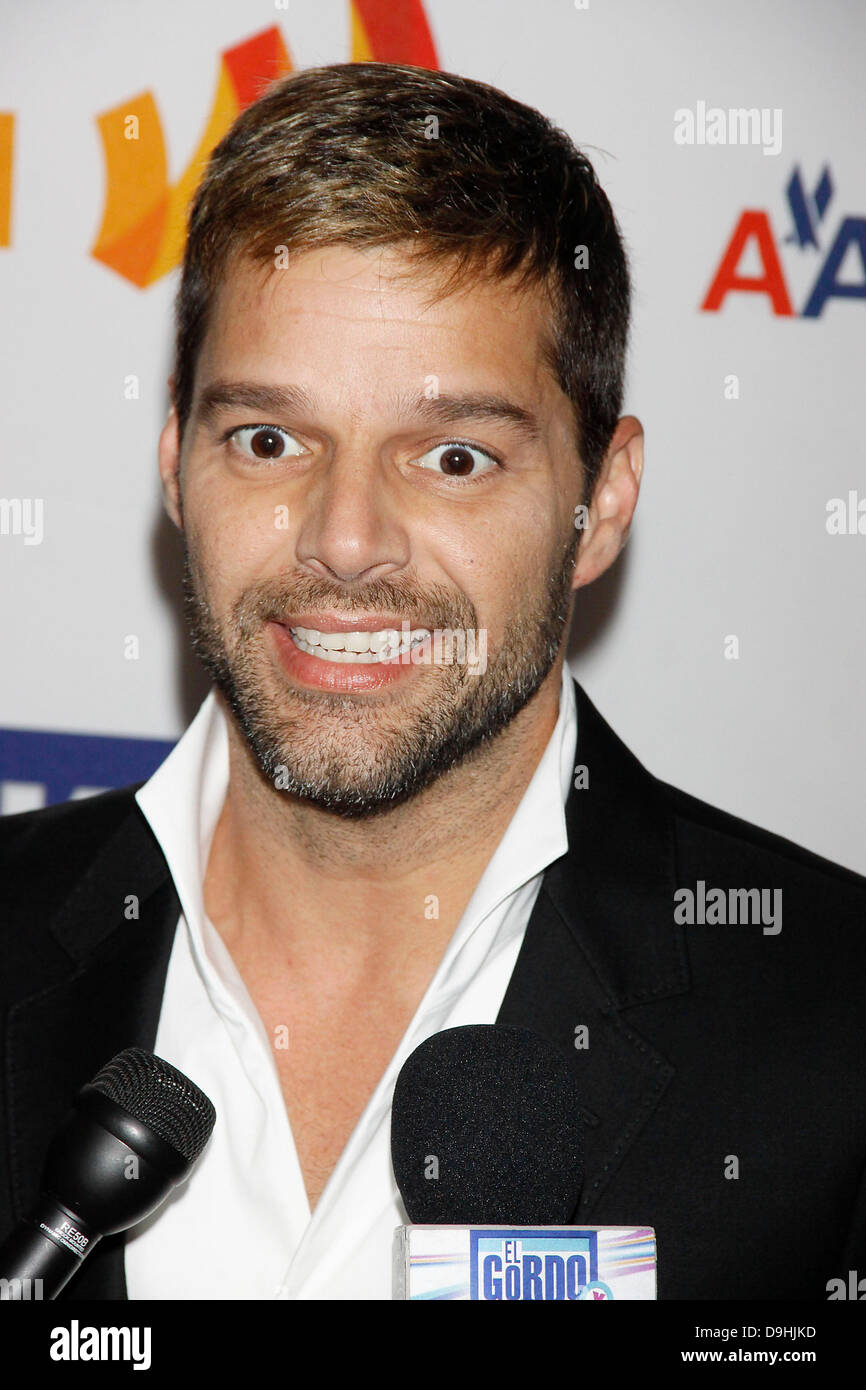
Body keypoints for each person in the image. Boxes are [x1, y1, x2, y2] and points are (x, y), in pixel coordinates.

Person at [1, 61, 864, 1301]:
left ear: (600, 501)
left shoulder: (834, 1030)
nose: (345, 540)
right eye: (268, 440)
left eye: (453, 456)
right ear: (174, 464)